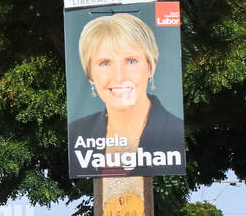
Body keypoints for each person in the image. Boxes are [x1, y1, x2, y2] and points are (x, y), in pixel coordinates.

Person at [74, 12, 183, 155]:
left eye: (131, 61)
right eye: (105, 63)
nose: (119, 76)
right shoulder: (77, 133)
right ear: (90, 74)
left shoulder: (174, 131)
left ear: (151, 67)